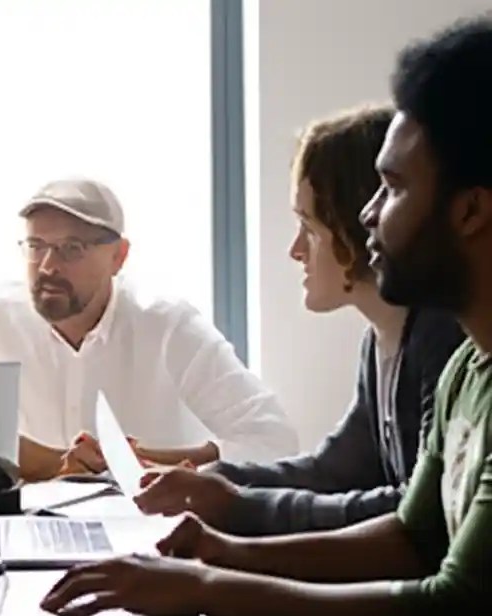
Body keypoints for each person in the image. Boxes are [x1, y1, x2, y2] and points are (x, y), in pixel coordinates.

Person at [40, 15, 492, 616]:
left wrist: (209, 583)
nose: (369, 216)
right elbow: (410, 535)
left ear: (470, 211)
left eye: (394, 188)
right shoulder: (470, 365)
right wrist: (218, 552)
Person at [134, 105, 465, 536]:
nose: (295, 250)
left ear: (354, 221)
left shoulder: (442, 336)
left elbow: (418, 510)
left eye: (308, 227)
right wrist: (214, 478)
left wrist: (238, 505)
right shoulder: (381, 339)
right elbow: (333, 470)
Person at [0, 177, 299, 480]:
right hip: (30, 530)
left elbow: (274, 439)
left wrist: (142, 462)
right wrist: (69, 465)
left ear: (118, 257)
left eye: (71, 249)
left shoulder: (169, 326)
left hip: (156, 528)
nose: (48, 265)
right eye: (36, 247)